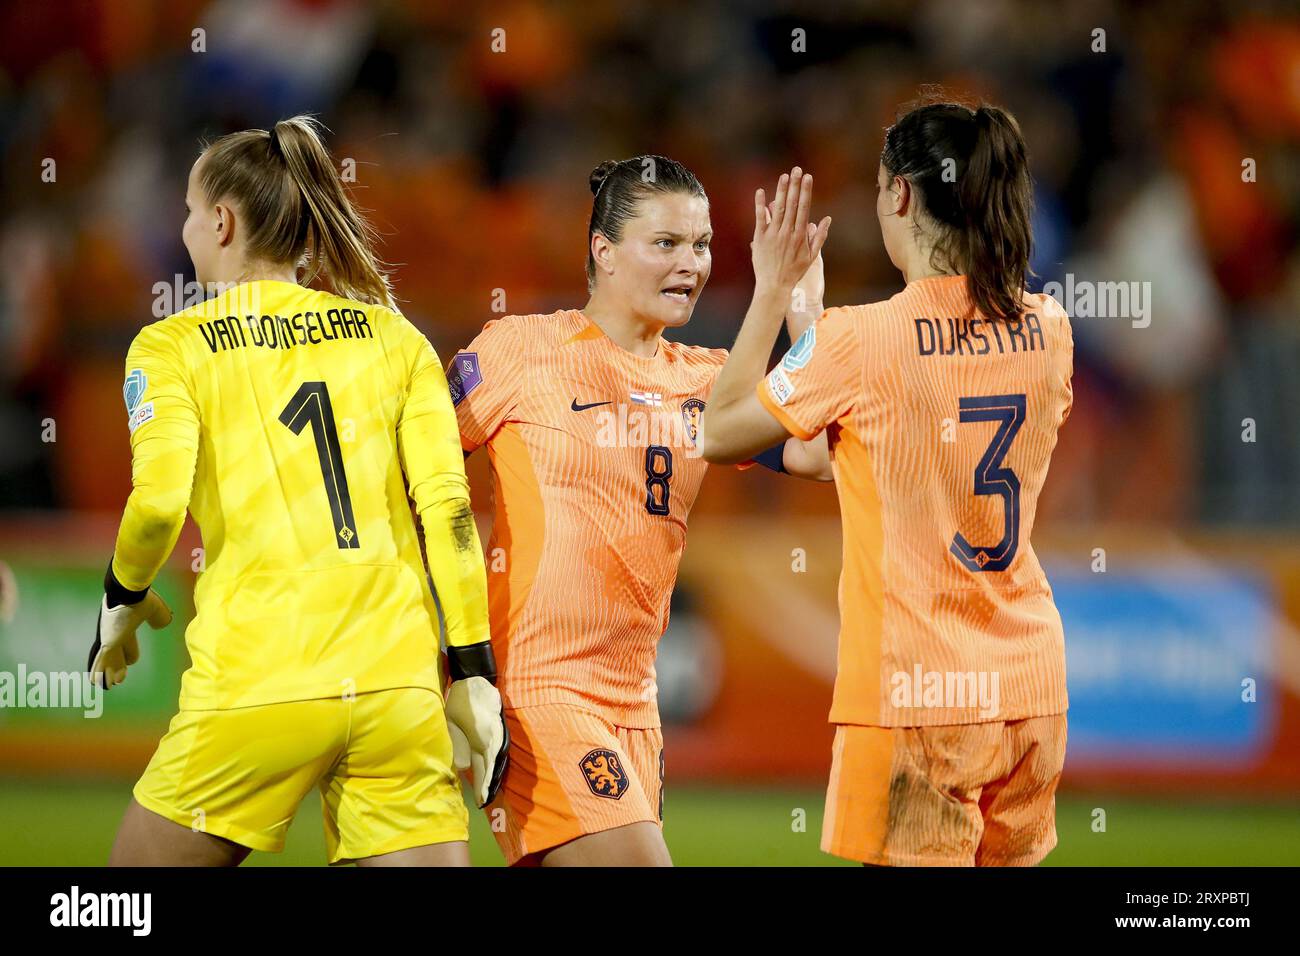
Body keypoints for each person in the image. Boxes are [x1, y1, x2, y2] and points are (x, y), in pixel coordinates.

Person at [90, 115, 506, 867]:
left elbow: (155, 504)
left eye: (188, 211)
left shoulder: (171, 345)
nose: (185, 229)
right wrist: (473, 670)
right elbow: (448, 514)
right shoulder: (397, 338)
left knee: (113, 914)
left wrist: (122, 595)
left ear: (220, 221)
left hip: (257, 683)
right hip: (395, 689)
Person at [702, 101, 1073, 867]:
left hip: (917, 700)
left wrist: (774, 292)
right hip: (1030, 693)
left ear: (900, 195)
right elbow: (865, 438)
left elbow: (720, 428)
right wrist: (814, 319)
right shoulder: (1050, 330)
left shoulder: (862, 339)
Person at [447, 155, 829, 866]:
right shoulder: (519, 352)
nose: (692, 263)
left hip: (634, 701)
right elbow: (418, 472)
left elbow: (822, 454)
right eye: (666, 244)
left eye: (703, 245)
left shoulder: (708, 378)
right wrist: (448, 651)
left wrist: (797, 302)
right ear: (604, 251)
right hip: (539, 686)